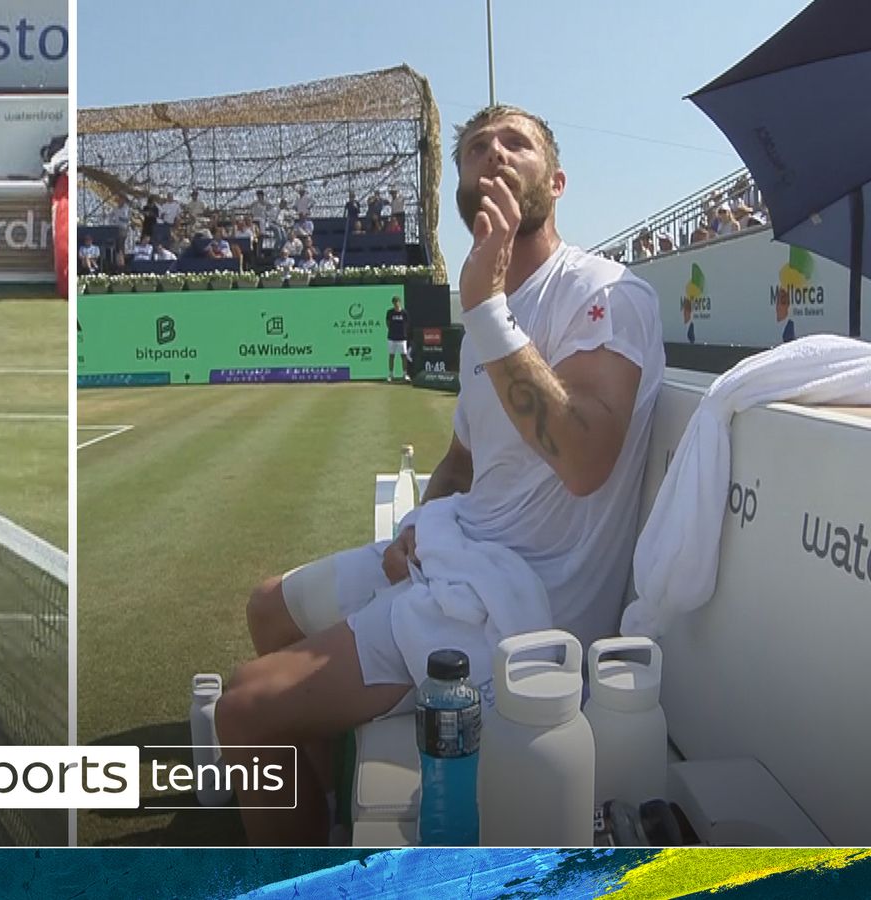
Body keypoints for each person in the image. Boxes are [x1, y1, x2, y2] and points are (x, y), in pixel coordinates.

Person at [214, 104, 664, 844]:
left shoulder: (602, 292)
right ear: (457, 184)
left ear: (555, 179)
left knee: (243, 707)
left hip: (518, 608)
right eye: (476, 148)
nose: (494, 154)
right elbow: (459, 462)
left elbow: (584, 460)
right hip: (457, 554)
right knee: (268, 608)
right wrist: (414, 531)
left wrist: (484, 308)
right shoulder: (485, 313)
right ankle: (323, 812)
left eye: (516, 144)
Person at [385, 295, 410, 382]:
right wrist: (393, 331)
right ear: (393, 303)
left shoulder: (404, 313)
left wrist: (402, 332)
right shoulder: (390, 312)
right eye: (394, 302)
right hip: (392, 338)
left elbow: (406, 324)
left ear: (400, 302)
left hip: (402, 338)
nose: (396, 304)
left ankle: (405, 374)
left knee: (403, 356)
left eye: (397, 302)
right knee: (391, 356)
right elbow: (387, 323)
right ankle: (391, 374)